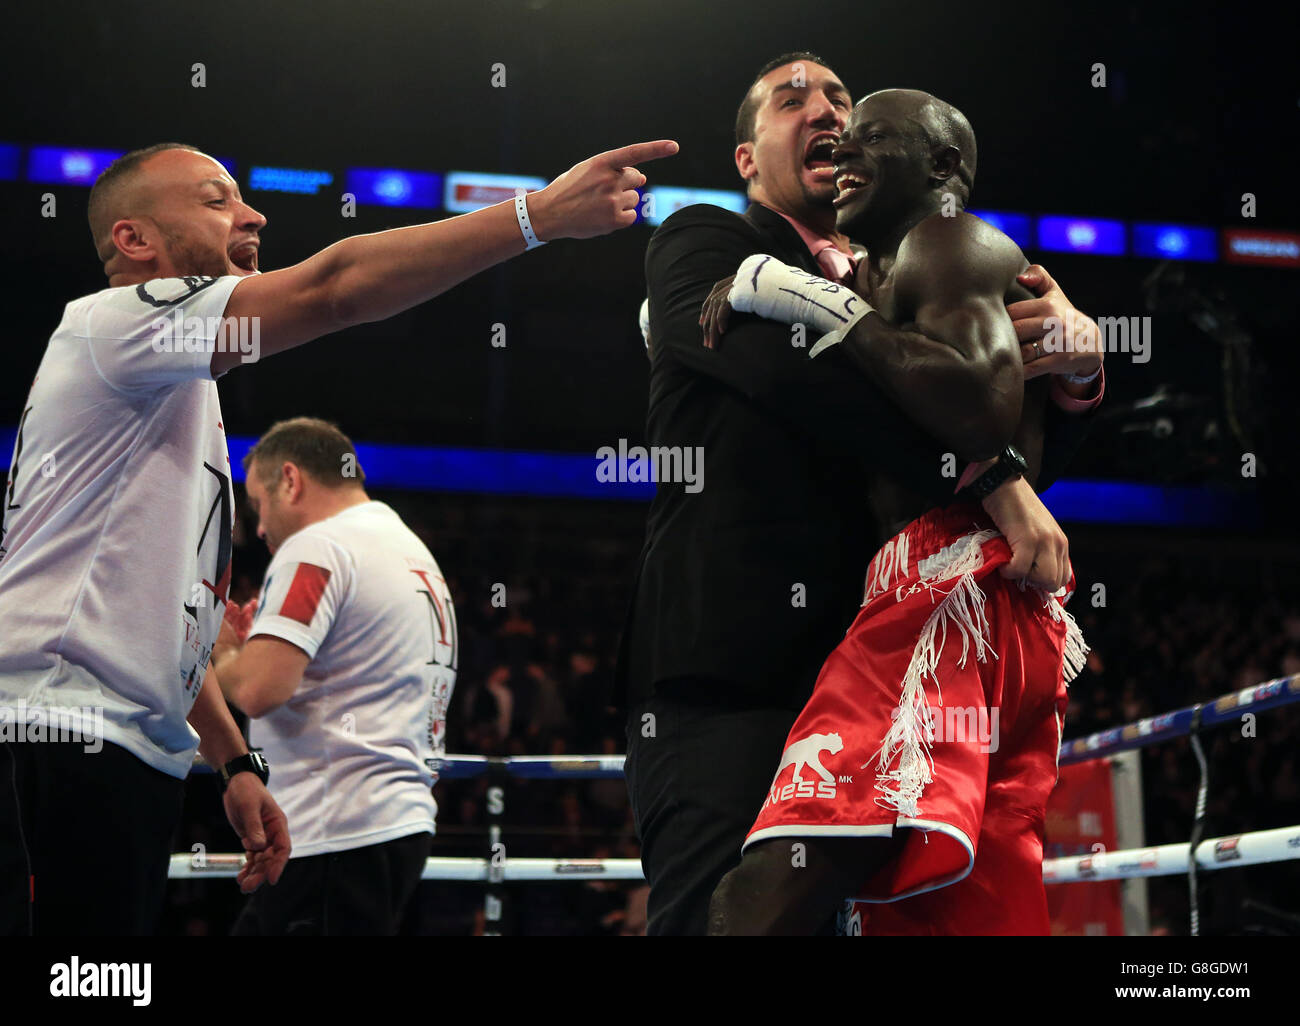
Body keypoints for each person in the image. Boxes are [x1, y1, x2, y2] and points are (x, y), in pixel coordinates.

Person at [0, 134, 675, 935]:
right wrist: (535, 217)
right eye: (216, 200)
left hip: (119, 751)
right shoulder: (115, 328)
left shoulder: (170, 401)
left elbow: (165, 628)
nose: (251, 214)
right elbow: (335, 289)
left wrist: (235, 761)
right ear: (134, 240)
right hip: (56, 734)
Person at [616, 55, 1104, 935]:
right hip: (731, 672)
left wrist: (1075, 374)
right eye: (792, 99)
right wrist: (990, 477)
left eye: (841, 98)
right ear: (745, 159)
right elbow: (790, 379)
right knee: (722, 913)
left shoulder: (912, 264)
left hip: (878, 645)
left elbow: (983, 423)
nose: (827, 112)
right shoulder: (701, 241)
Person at [210, 418, 454, 935]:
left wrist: (225, 650)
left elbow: (257, 690)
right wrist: (261, 646)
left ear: (291, 481)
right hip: (386, 826)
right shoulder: (408, 549)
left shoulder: (318, 547)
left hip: (335, 832)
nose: (258, 528)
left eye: (258, 504)